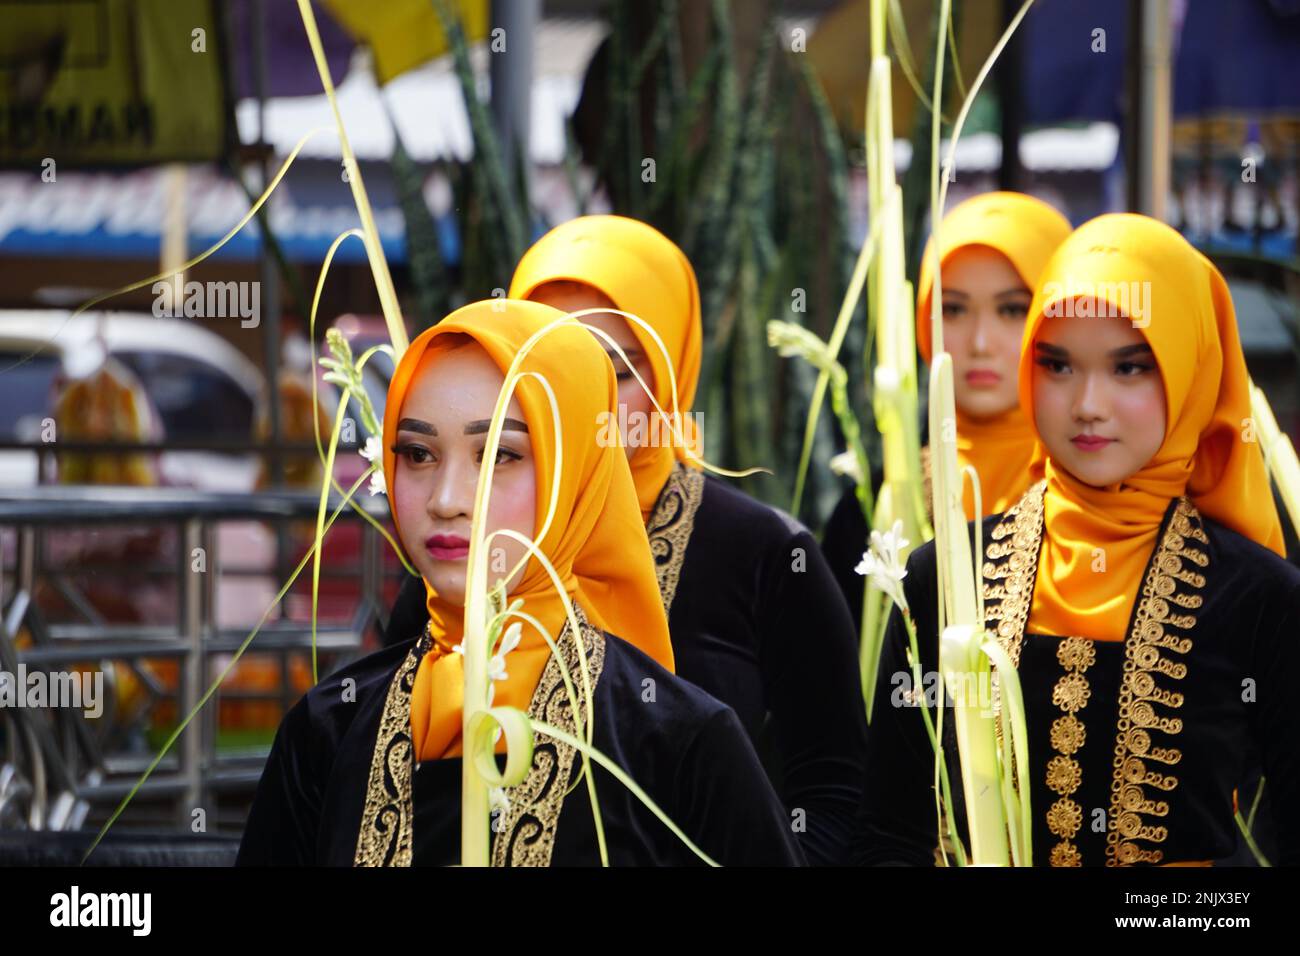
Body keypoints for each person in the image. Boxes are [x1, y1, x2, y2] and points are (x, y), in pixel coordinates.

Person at [238, 299, 803, 866]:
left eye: (498, 455)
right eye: (417, 453)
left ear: (574, 470)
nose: (447, 500)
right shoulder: (329, 730)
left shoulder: (675, 744)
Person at [385, 215, 866, 865]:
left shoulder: (766, 556)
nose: (577, 395)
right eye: (545, 363)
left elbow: (837, 788)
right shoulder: (463, 559)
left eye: (614, 369)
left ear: (672, 375)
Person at [855, 213, 1300, 866]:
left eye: (1129, 368)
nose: (1088, 403)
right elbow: (889, 833)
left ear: (1191, 368)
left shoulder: (1263, 600)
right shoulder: (945, 577)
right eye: (1058, 364)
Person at [821, 192, 1073, 631]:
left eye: (1012, 309)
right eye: (953, 309)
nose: (979, 342)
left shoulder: (1102, 509)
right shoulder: (876, 508)